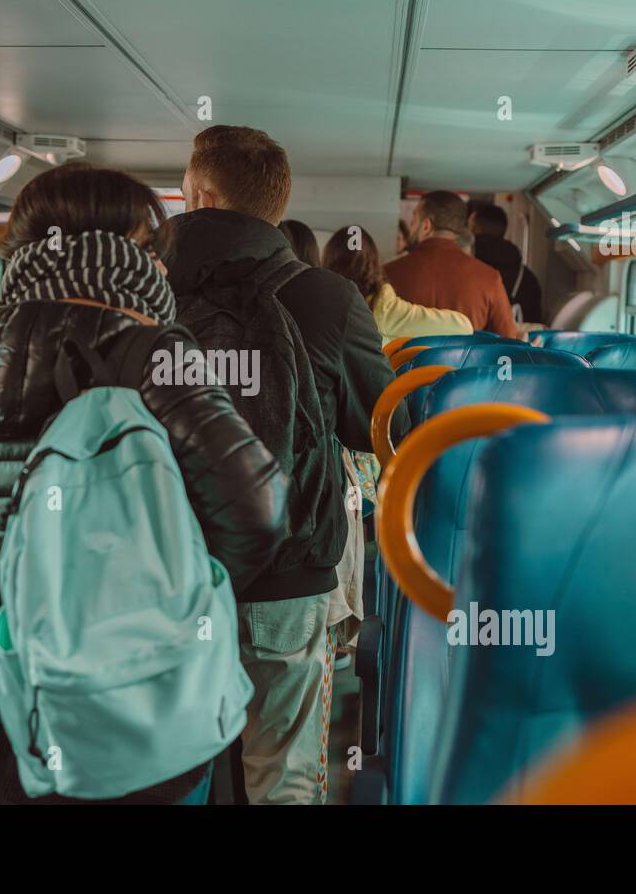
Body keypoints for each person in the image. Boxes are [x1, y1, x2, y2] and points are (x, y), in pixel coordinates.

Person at [0, 162, 288, 805]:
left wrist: (20, 566)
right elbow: (257, 508)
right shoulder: (156, 351)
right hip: (144, 683)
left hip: (20, 681)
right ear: (135, 254)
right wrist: (178, 587)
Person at [165, 124, 408, 805]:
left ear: (202, 195)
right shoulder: (330, 299)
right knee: (284, 774)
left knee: (169, 769)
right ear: (276, 207)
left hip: (168, 571)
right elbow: (382, 425)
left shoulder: (145, 293)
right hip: (289, 570)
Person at [387, 190, 519, 339]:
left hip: (401, 362)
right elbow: (509, 341)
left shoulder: (388, 274)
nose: (410, 224)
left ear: (426, 226)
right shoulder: (490, 279)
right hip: (466, 363)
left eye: (414, 217)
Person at [322, 225, 472, 343]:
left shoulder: (319, 301)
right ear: (373, 263)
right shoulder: (384, 308)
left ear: (328, 260)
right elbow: (462, 326)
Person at [469, 202, 544, 325]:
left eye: (469, 225)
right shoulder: (527, 277)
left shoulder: (465, 267)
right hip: (511, 342)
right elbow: (533, 321)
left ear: (477, 228)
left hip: (472, 341)